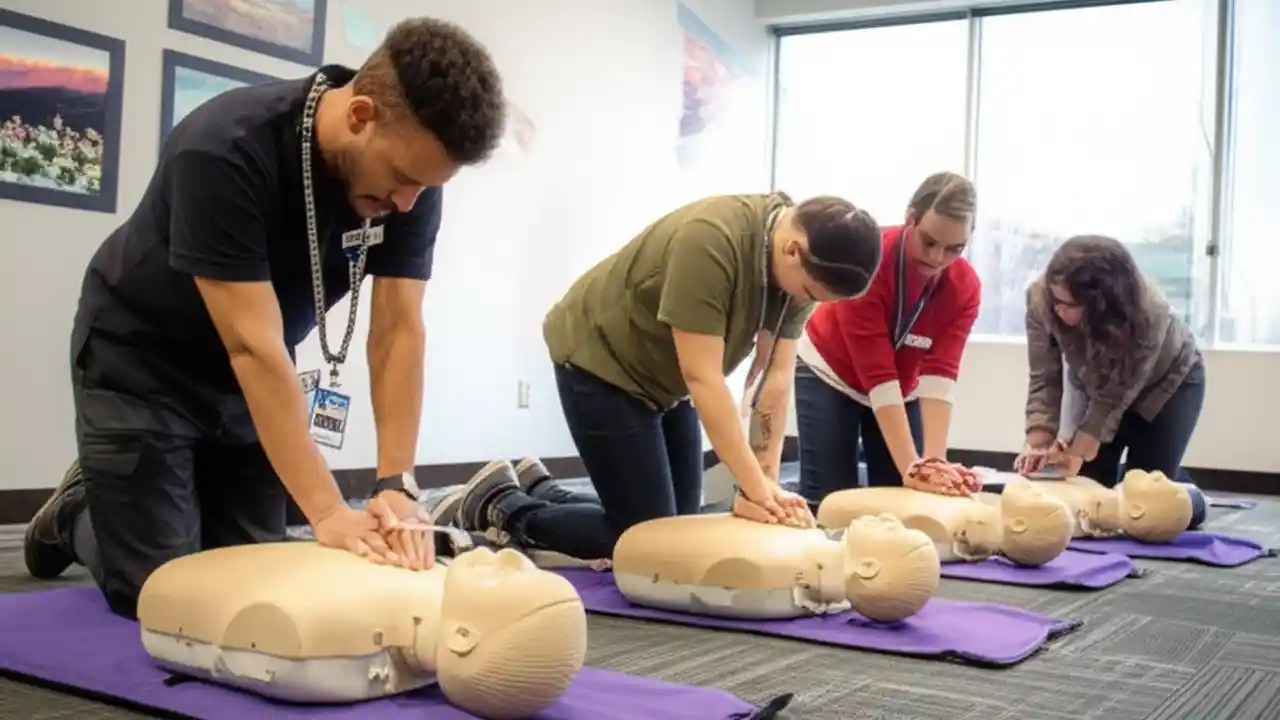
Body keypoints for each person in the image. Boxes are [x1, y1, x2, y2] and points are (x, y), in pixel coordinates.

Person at [22, 18, 508, 619]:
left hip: (252, 374)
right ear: (360, 116)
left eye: (426, 188)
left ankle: (140, 499)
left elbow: (399, 330)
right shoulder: (225, 148)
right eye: (404, 181)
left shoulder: (413, 181)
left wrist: (394, 483)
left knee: (254, 576)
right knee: (164, 591)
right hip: (140, 361)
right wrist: (328, 512)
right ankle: (76, 512)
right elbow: (252, 346)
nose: (408, 204)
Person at [431, 193, 885, 561]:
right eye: (810, 293)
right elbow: (704, 377)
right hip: (601, 361)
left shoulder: (804, 268)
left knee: (679, 528)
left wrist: (765, 482)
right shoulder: (712, 239)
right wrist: (752, 484)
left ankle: (542, 489)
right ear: (792, 249)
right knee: (645, 540)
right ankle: (497, 505)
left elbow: (776, 378)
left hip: (665, 384)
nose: (807, 301)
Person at [791, 172, 983, 506]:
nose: (938, 258)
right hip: (831, 372)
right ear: (910, 218)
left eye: (954, 248)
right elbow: (877, 373)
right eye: (929, 241)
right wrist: (914, 466)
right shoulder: (870, 259)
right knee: (834, 500)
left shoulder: (965, 287)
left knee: (908, 494)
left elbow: (940, 375)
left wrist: (933, 465)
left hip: (900, 385)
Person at [1014, 235, 1205, 487]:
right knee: (1087, 492)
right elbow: (1044, 376)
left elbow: (1117, 391)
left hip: (1166, 384)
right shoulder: (1040, 299)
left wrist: (1085, 439)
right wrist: (1038, 441)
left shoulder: (1148, 312)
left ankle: (1190, 493)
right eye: (1057, 301)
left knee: (1147, 499)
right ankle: (1147, 476)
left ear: (1102, 305)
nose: (1060, 311)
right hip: (1098, 386)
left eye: (1071, 305)